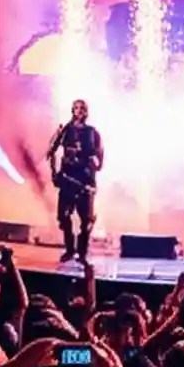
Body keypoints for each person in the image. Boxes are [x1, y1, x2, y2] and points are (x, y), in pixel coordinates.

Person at [47, 99, 104, 264]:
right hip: (67, 179)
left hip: (84, 181)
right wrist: (54, 173)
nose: (79, 112)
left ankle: (82, 252)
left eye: (82, 109)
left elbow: (100, 157)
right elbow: (51, 152)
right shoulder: (66, 130)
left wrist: (93, 172)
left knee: (86, 220)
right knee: (63, 217)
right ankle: (70, 250)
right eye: (76, 108)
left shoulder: (92, 132)